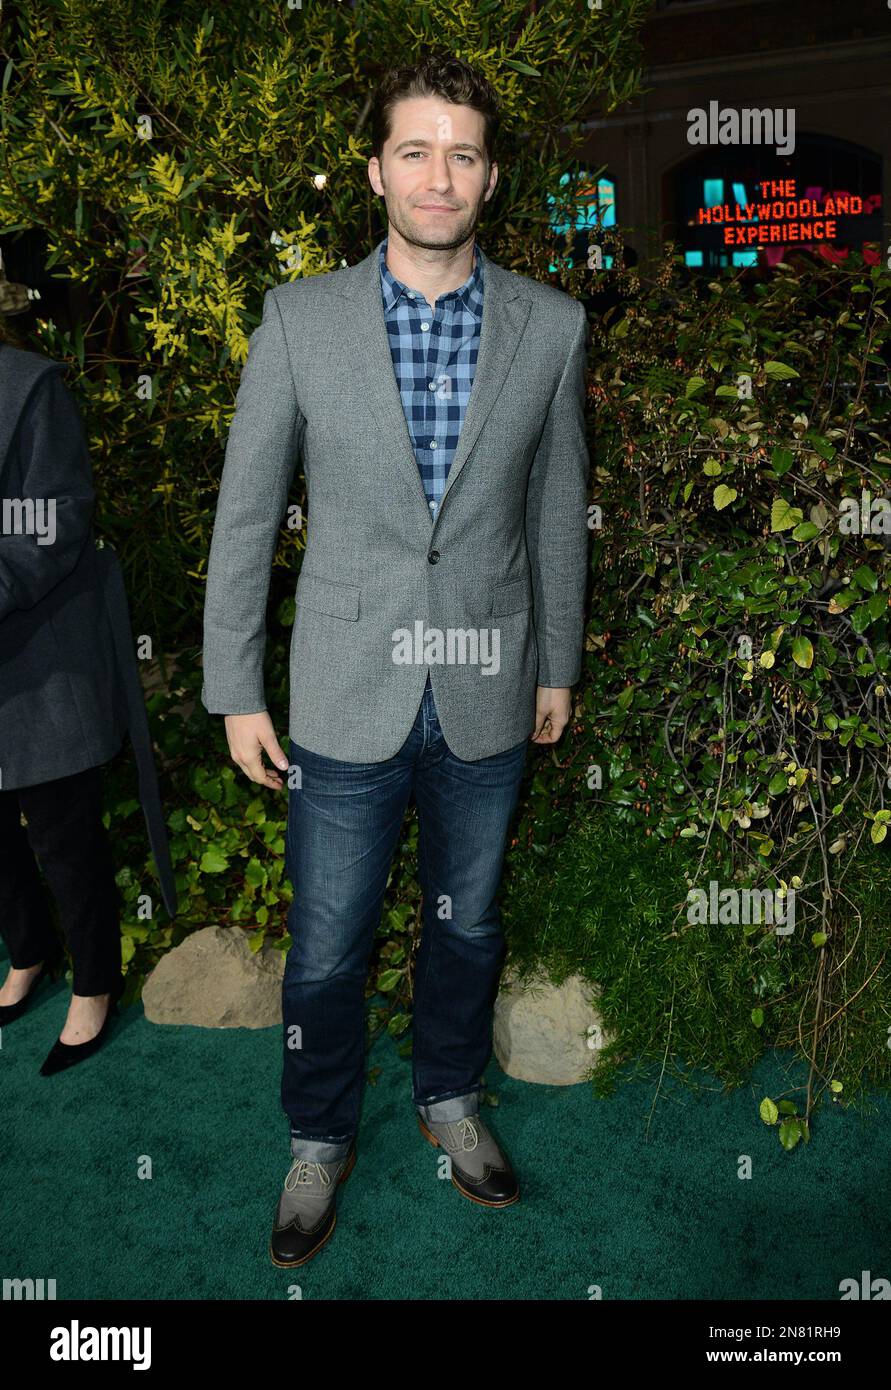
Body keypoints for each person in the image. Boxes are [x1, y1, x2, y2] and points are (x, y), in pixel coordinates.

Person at [201, 52, 590, 1268]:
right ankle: (318, 1138)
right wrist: (232, 687)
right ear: (375, 170)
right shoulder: (298, 318)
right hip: (340, 690)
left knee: (468, 925)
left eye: (463, 153)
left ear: (490, 176)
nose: (440, 174)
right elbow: (246, 517)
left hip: (487, 680)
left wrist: (557, 667)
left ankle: (452, 1098)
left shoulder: (555, 326)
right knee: (325, 940)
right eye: (415, 150)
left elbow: (554, 509)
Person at [0, 305, 176, 1074]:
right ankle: (29, 954)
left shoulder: (29, 385)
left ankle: (96, 985)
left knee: (63, 835)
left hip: (36, 653)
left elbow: (52, 522)